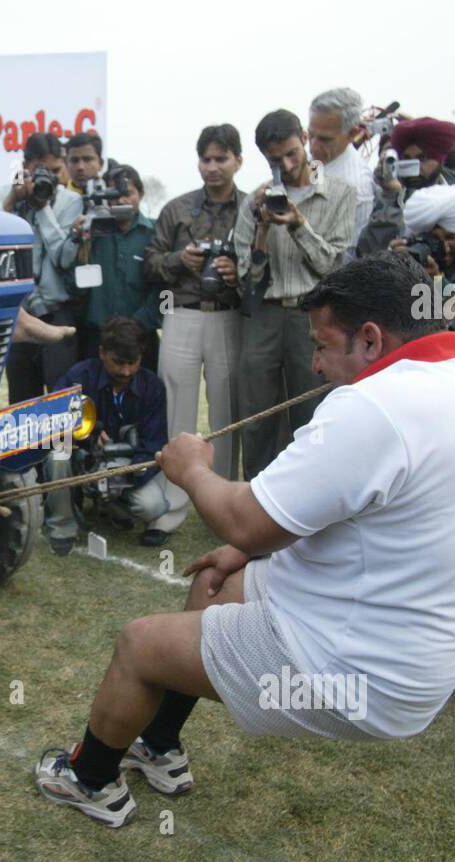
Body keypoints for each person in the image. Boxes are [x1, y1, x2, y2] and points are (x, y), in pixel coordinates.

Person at [34, 253, 455, 827]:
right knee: (213, 590)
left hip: (365, 672)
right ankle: (160, 747)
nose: (314, 365)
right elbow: (370, 511)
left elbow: (243, 519)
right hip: (417, 650)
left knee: (137, 646)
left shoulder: (376, 407)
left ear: (370, 339)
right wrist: (252, 547)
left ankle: (89, 779)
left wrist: (192, 470)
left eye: (321, 345)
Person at [233, 109, 355, 480]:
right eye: (274, 159)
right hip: (265, 316)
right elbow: (246, 279)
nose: (285, 165)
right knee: (256, 418)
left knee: (313, 414)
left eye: (291, 153)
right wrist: (261, 231)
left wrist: (299, 225)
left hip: (314, 316)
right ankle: (254, 501)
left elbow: (334, 268)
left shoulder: (339, 194)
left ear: (304, 138)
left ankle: (312, 499)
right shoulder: (255, 202)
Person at [143, 123, 244, 532]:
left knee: (227, 409)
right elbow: (149, 263)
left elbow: (265, 264)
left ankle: (227, 505)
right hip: (182, 313)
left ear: (238, 160)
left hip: (229, 316)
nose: (213, 166)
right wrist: (177, 261)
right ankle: (173, 505)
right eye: (206, 158)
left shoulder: (252, 208)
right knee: (177, 409)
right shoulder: (177, 209)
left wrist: (238, 271)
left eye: (222, 158)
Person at [43, 317, 184, 552]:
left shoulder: (153, 388)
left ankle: (112, 507)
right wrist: (85, 435)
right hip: (82, 456)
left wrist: (123, 477)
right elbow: (52, 421)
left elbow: (154, 445)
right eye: (118, 362)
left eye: (132, 362)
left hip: (127, 466)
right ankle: (62, 527)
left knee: (153, 507)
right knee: (57, 456)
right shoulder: (79, 376)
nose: (126, 371)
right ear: (102, 353)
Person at [0, 132, 81, 401]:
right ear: (25, 165)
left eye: (56, 169)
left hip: (57, 312)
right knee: (21, 400)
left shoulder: (70, 201)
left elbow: (64, 258)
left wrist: (42, 208)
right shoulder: (7, 194)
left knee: (59, 398)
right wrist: (12, 200)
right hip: (19, 314)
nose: (51, 177)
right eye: (42, 169)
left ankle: (62, 447)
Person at [74, 164, 162, 367]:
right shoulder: (91, 232)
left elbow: (167, 290)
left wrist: (145, 321)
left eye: (128, 193)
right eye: (114, 194)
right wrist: (80, 241)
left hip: (143, 337)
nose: (121, 200)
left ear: (141, 193)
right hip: (98, 339)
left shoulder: (156, 233)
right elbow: (75, 285)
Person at [357, 116, 455, 257]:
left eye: (422, 159)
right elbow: (366, 252)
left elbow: (450, 270)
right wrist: (392, 200)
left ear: (440, 159)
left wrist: (436, 278)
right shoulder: (380, 193)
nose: (416, 167)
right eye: (407, 159)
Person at [307, 87, 374, 257]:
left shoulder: (356, 186)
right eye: (310, 135)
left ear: (352, 133)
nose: (313, 146)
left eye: (324, 139)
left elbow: (346, 256)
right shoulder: (317, 159)